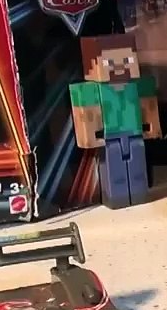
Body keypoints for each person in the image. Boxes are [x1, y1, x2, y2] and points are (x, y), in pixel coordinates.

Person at [68, 34, 162, 209]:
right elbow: (85, 114)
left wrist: (152, 128)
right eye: (108, 62)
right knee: (114, 169)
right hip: (110, 136)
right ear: (94, 65)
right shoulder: (91, 90)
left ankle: (138, 194)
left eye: (127, 60)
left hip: (134, 133)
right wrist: (89, 137)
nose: (119, 66)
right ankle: (118, 197)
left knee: (137, 166)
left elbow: (148, 106)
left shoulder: (139, 85)